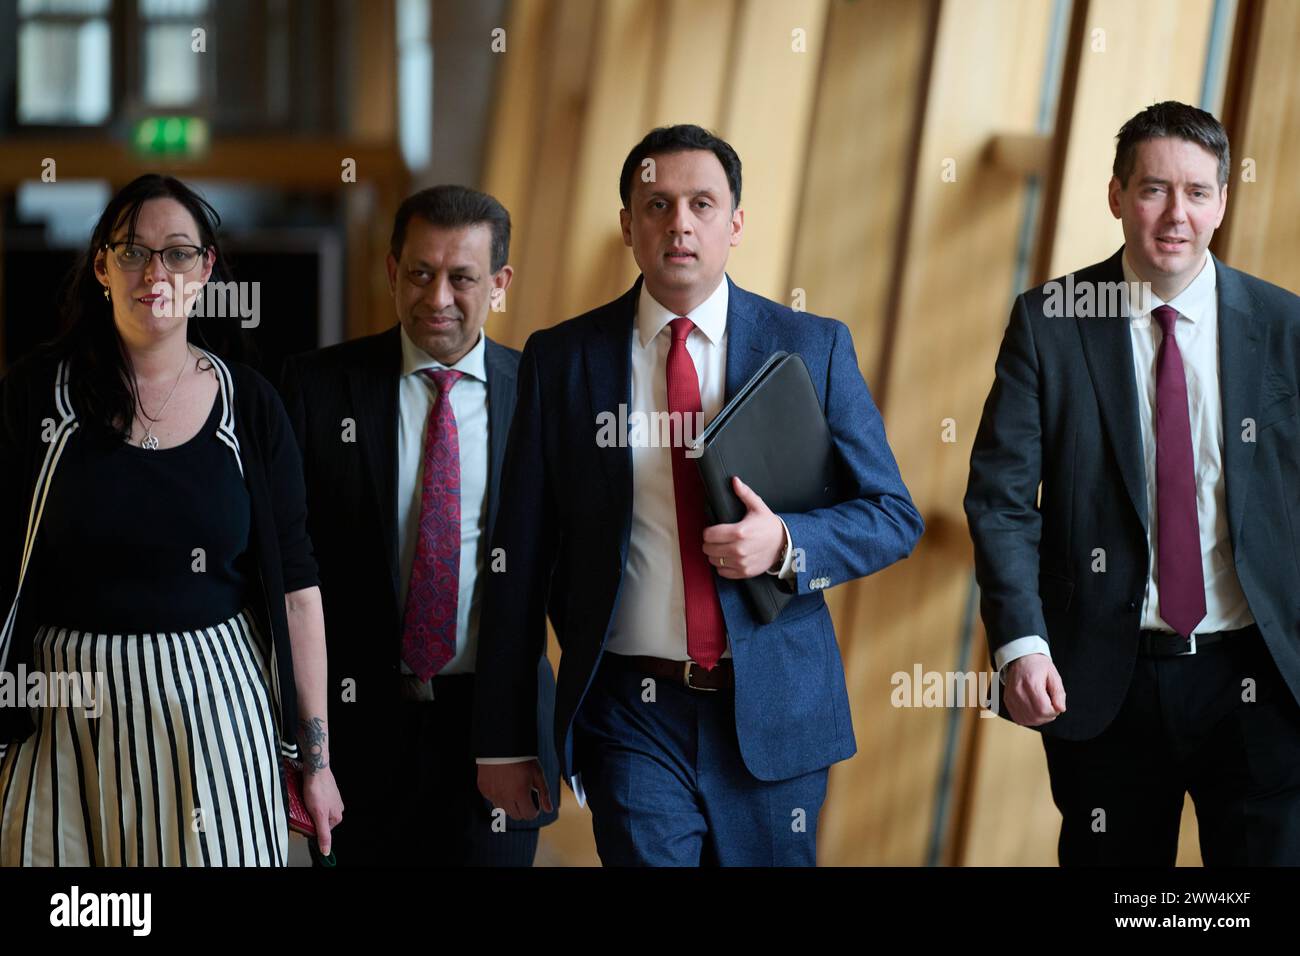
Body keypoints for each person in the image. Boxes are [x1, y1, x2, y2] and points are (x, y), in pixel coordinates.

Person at [473, 124, 923, 866]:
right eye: (656, 204)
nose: (678, 223)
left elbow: (892, 517)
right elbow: (517, 556)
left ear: (735, 224)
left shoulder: (812, 347)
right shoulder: (564, 359)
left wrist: (785, 544)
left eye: (701, 204)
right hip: (629, 712)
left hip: (774, 709)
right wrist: (505, 736)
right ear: (627, 225)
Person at [965, 101, 1300, 865]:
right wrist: (1021, 643)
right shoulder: (1050, 321)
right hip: (1105, 679)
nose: (1175, 214)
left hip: (1260, 678)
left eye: (1197, 192)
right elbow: (1001, 500)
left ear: (1222, 201)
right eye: (1153, 190)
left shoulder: (1285, 328)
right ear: (1116, 197)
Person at [0, 174, 343, 866]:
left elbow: (299, 594)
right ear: (101, 265)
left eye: (178, 253)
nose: (155, 272)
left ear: (206, 268)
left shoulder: (251, 406)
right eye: (132, 252)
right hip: (59, 712)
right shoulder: (36, 394)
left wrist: (317, 759)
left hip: (214, 709)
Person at [280, 185, 559, 866]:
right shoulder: (315, 390)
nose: (437, 298)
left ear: (500, 283)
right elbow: (285, 566)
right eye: (419, 274)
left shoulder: (544, 398)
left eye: (461, 278)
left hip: (496, 728)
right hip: (355, 733)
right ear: (390, 271)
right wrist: (302, 744)